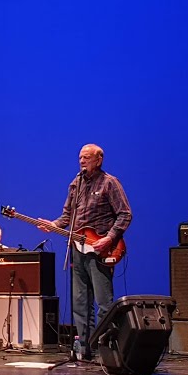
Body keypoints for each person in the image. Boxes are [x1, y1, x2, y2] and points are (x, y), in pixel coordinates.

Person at [36, 144, 131, 361]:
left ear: (99, 160)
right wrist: (52, 224)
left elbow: (125, 214)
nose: (81, 161)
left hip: (101, 249)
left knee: (103, 303)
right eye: (80, 157)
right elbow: (67, 217)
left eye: (86, 157)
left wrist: (108, 238)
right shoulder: (75, 184)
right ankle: (85, 349)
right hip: (77, 249)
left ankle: (106, 347)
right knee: (80, 302)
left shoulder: (110, 183)